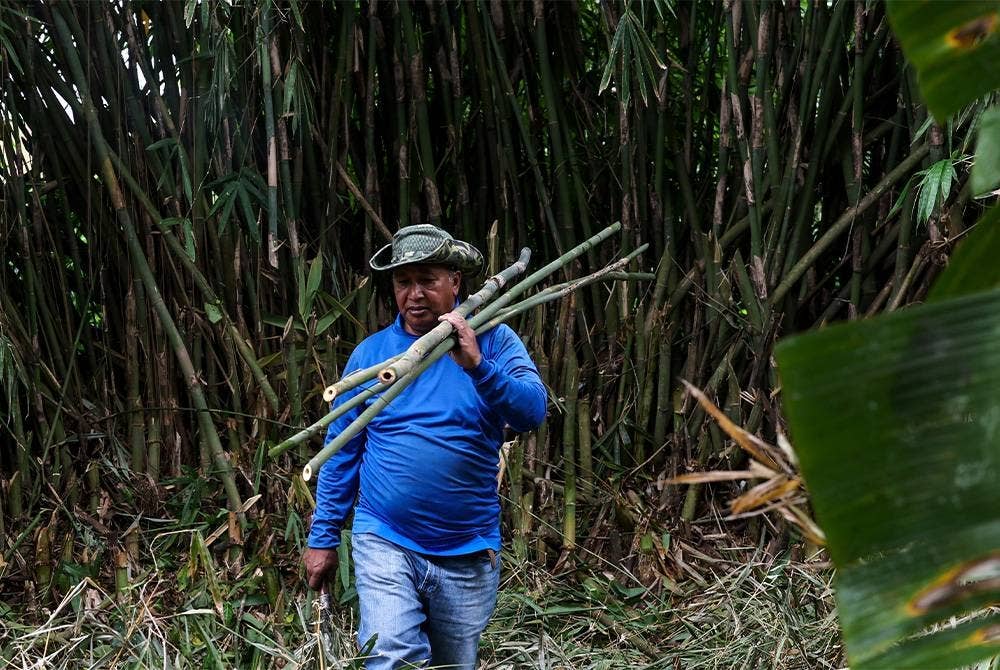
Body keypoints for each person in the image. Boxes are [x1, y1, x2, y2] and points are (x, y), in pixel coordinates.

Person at [303, 224, 547, 669]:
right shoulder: (372, 356)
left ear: (455, 282)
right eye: (403, 282)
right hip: (385, 537)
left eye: (427, 280)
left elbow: (532, 412)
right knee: (392, 654)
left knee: (452, 664)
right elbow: (342, 452)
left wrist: (478, 365)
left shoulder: (493, 339)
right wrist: (323, 536)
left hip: (468, 549)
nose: (414, 294)